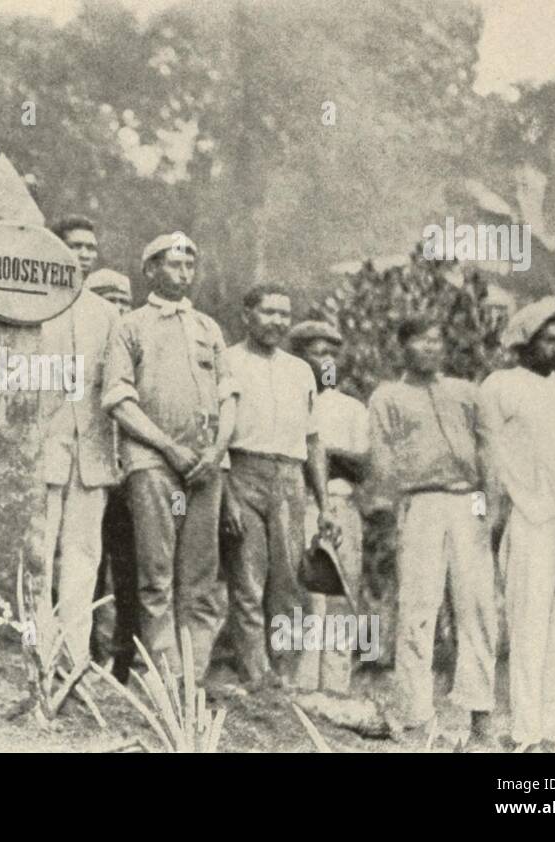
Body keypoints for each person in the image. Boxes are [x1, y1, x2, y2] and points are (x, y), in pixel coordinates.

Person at [101, 232, 237, 680]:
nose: (184, 273)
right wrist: (168, 447)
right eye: (174, 264)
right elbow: (120, 400)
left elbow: (229, 398)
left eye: (190, 265)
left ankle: (192, 676)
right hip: (154, 465)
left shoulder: (208, 329)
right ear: (151, 269)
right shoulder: (131, 326)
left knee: (199, 576)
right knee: (155, 574)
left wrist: (214, 452)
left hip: (204, 468)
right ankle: (163, 671)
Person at [368, 317, 496, 746]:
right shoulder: (388, 396)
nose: (431, 346)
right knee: (417, 611)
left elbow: (487, 451)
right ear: (403, 345)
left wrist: (488, 509)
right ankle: (418, 721)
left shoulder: (465, 392)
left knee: (477, 609)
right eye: (421, 339)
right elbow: (383, 459)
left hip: (468, 502)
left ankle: (481, 719)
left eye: (437, 338)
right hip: (419, 504)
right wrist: (393, 511)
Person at [479, 296, 555, 752]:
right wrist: (487, 517)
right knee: (528, 625)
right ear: (524, 344)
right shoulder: (499, 386)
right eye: (548, 340)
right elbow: (490, 458)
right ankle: (525, 732)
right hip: (529, 519)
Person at [218, 285, 335, 686]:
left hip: (289, 479)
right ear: (247, 315)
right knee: (247, 582)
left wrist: (325, 502)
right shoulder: (227, 361)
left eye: (284, 314)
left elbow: (314, 439)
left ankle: (282, 678)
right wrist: (227, 494)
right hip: (242, 470)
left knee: (288, 585)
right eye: (268, 312)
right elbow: (216, 435)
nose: (277, 321)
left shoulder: (300, 370)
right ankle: (255, 677)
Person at [36, 220, 122, 675]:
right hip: (45, 447)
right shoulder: (33, 305)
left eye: (90, 247)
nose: (84, 254)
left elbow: (117, 385)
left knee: (84, 555)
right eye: (74, 246)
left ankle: (75, 656)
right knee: (39, 549)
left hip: (91, 452)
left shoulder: (106, 315)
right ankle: (36, 651)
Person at [289, 320, 368, 695]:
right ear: (300, 357)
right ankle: (303, 686)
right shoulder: (290, 398)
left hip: (342, 504)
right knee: (307, 595)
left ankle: (337, 688)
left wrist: (322, 453)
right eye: (318, 352)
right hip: (299, 504)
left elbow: (364, 466)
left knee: (341, 596)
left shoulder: (350, 407)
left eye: (333, 353)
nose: (328, 361)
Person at [82, 269, 140, 681]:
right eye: (108, 301)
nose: (117, 310)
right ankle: (84, 654)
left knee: (131, 572)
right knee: (86, 567)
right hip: (87, 473)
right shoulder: (81, 350)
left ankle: (122, 661)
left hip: (130, 477)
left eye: (124, 302)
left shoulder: (140, 350)